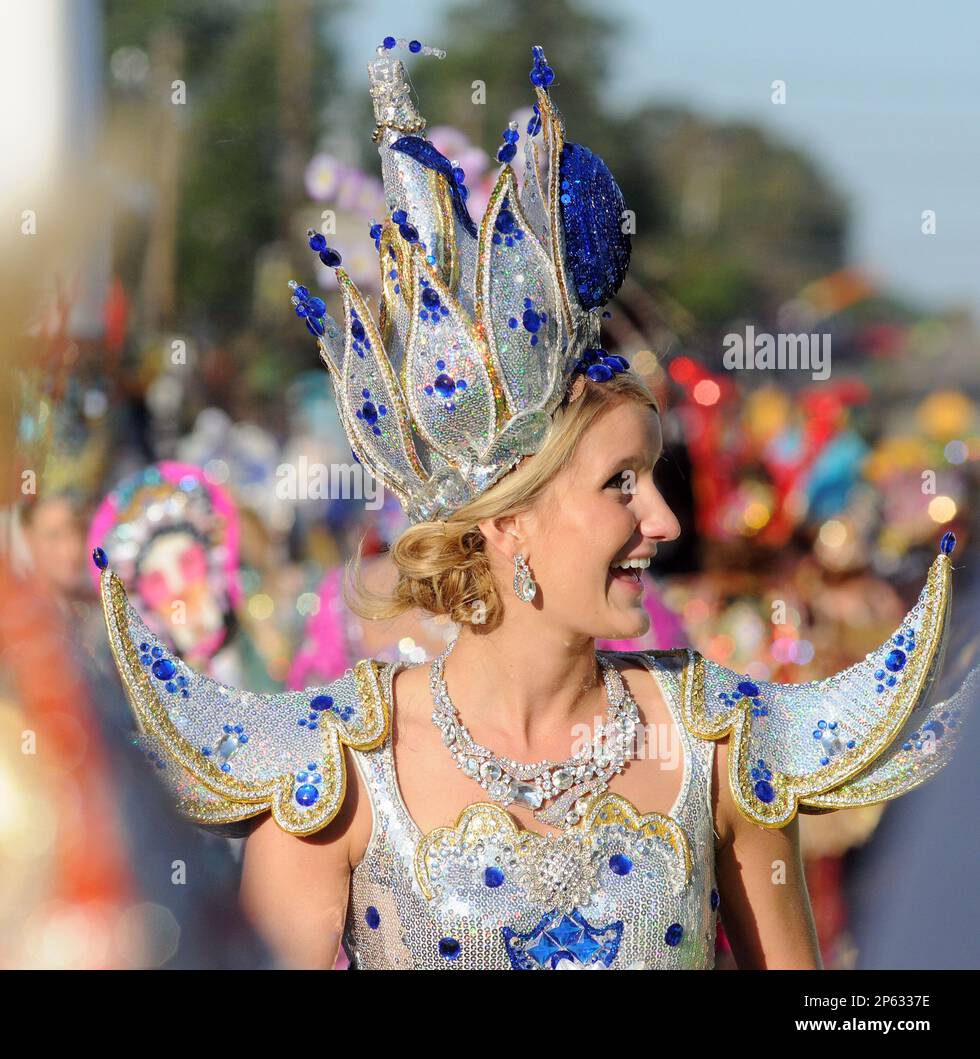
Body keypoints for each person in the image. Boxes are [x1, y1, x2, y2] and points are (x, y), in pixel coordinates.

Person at [90, 40, 973, 969]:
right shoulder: (340, 769)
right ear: (507, 523)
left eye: (655, 480)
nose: (664, 522)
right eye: (619, 484)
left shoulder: (717, 744)